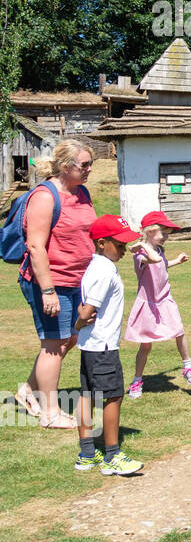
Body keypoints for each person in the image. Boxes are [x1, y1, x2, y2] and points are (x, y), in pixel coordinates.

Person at [15, 139, 97, 429]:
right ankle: (50, 414)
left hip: (77, 280)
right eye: (84, 165)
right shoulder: (45, 196)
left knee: (71, 338)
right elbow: (36, 247)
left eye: (91, 164)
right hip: (50, 282)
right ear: (65, 167)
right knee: (54, 344)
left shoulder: (82, 192)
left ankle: (28, 390)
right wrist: (48, 290)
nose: (89, 169)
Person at [73, 214, 144, 475]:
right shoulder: (104, 271)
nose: (124, 249)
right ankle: (112, 455)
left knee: (87, 395)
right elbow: (87, 311)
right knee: (113, 396)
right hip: (103, 346)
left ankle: (87, 454)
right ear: (102, 243)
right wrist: (79, 325)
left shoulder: (96, 266)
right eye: (120, 244)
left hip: (90, 345)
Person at [124, 211, 191, 398]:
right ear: (149, 231)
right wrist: (141, 245)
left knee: (179, 332)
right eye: (162, 233)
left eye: (167, 234)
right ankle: (137, 380)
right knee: (146, 345)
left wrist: (176, 261)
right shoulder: (139, 253)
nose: (165, 237)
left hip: (165, 301)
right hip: (149, 304)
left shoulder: (158, 250)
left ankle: (188, 367)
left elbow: (160, 264)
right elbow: (153, 261)